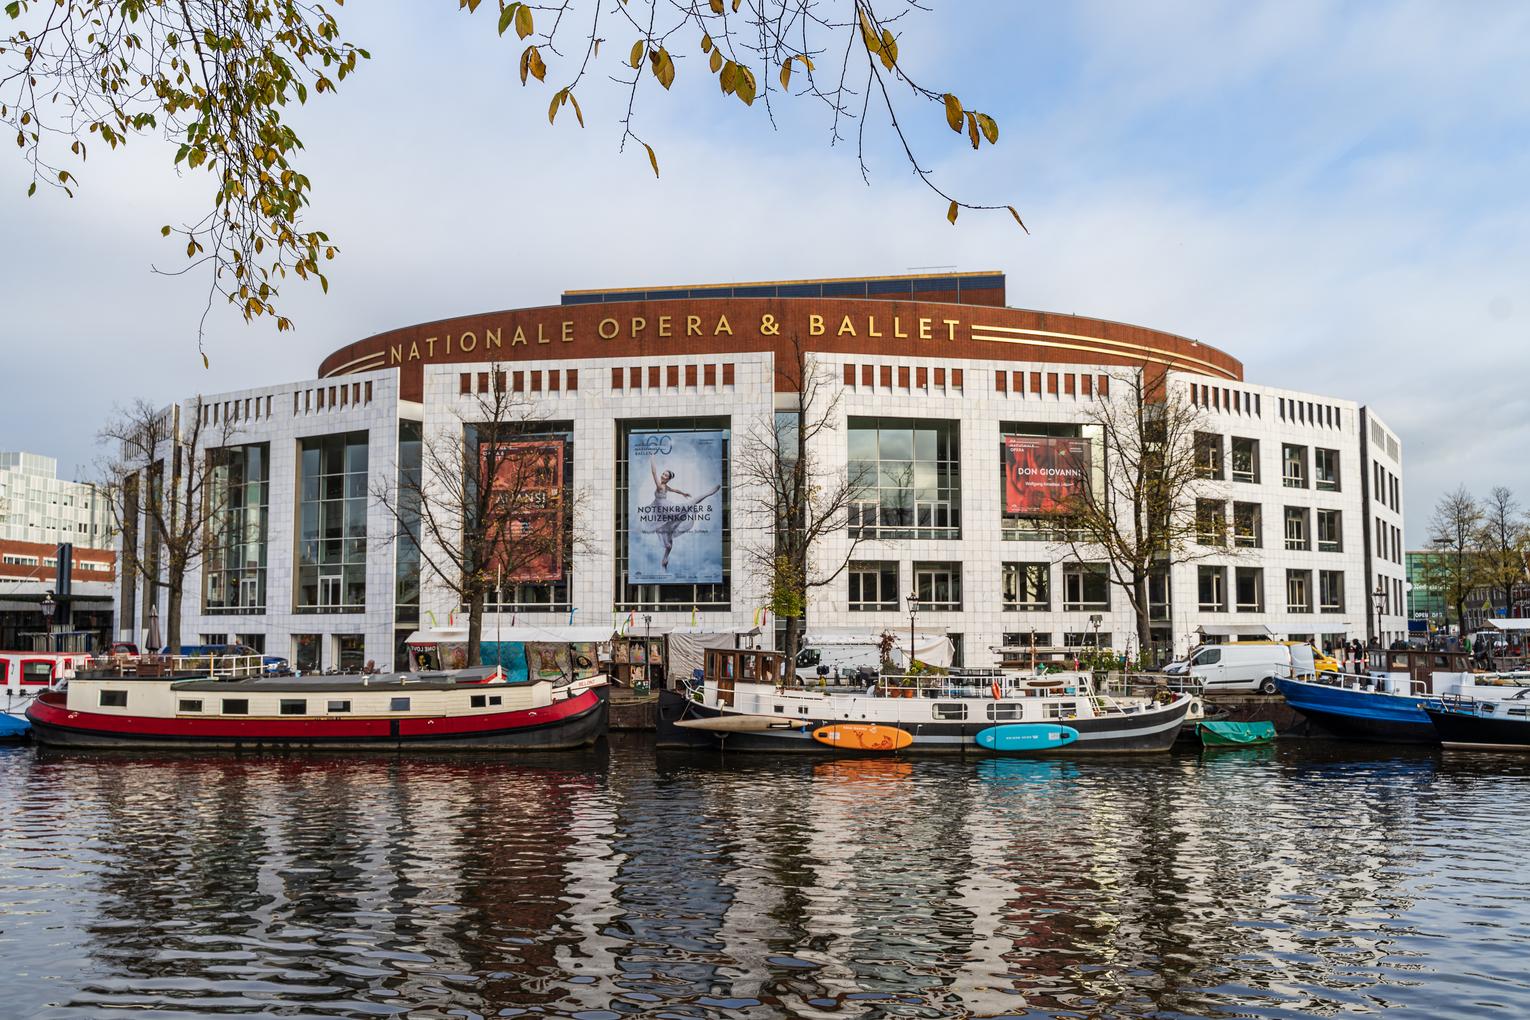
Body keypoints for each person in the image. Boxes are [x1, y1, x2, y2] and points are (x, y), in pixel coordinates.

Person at [646, 459, 722, 571]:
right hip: (662, 513)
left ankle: (709, 492)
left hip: (667, 510)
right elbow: (674, 490)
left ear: (668, 479)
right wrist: (683, 493)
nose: (662, 475)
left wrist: (652, 457)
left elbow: (653, 472)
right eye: (663, 473)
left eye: (665, 475)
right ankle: (665, 560)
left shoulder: (661, 486)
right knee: (668, 544)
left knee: (691, 503)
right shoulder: (665, 487)